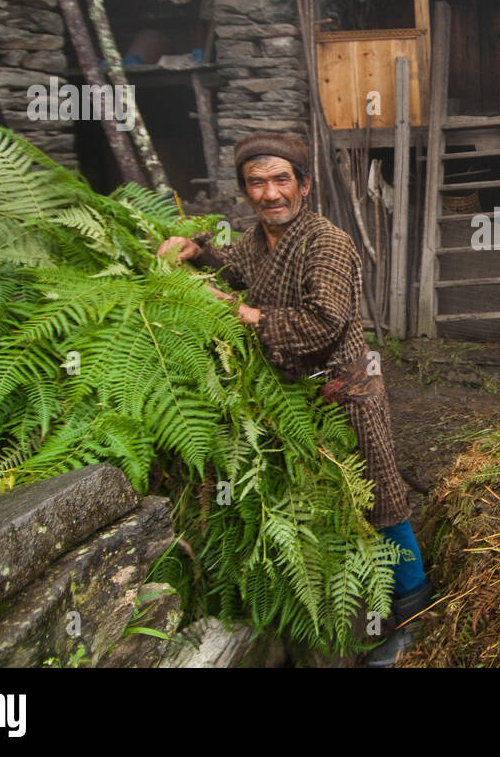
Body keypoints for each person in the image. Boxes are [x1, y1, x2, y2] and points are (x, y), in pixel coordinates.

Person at [157, 132, 429, 666]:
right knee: (329, 505)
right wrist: (199, 252)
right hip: (294, 395)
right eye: (256, 183)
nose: (270, 192)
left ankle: (411, 612)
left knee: (378, 496)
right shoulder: (260, 241)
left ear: (303, 185)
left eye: (281, 179)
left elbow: (324, 323)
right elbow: (236, 268)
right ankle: (351, 612)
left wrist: (239, 314)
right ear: (245, 191)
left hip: (346, 386)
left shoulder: (325, 243)